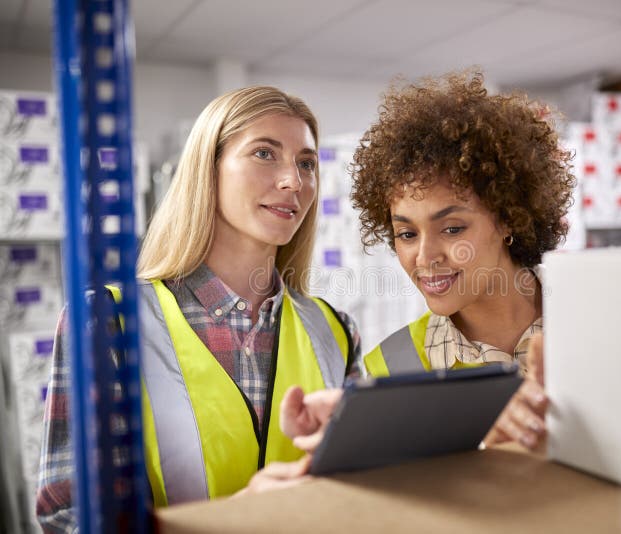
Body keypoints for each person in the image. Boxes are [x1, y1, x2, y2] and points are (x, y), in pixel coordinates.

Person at [36, 86, 360, 531]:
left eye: (306, 162)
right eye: (265, 154)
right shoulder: (106, 323)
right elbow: (68, 517)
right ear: (207, 170)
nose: (294, 181)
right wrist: (232, 518)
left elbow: (363, 489)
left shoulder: (336, 329)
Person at [244, 70, 573, 490]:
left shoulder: (599, 327)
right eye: (406, 234)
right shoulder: (390, 370)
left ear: (509, 217)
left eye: (452, 228)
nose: (424, 257)